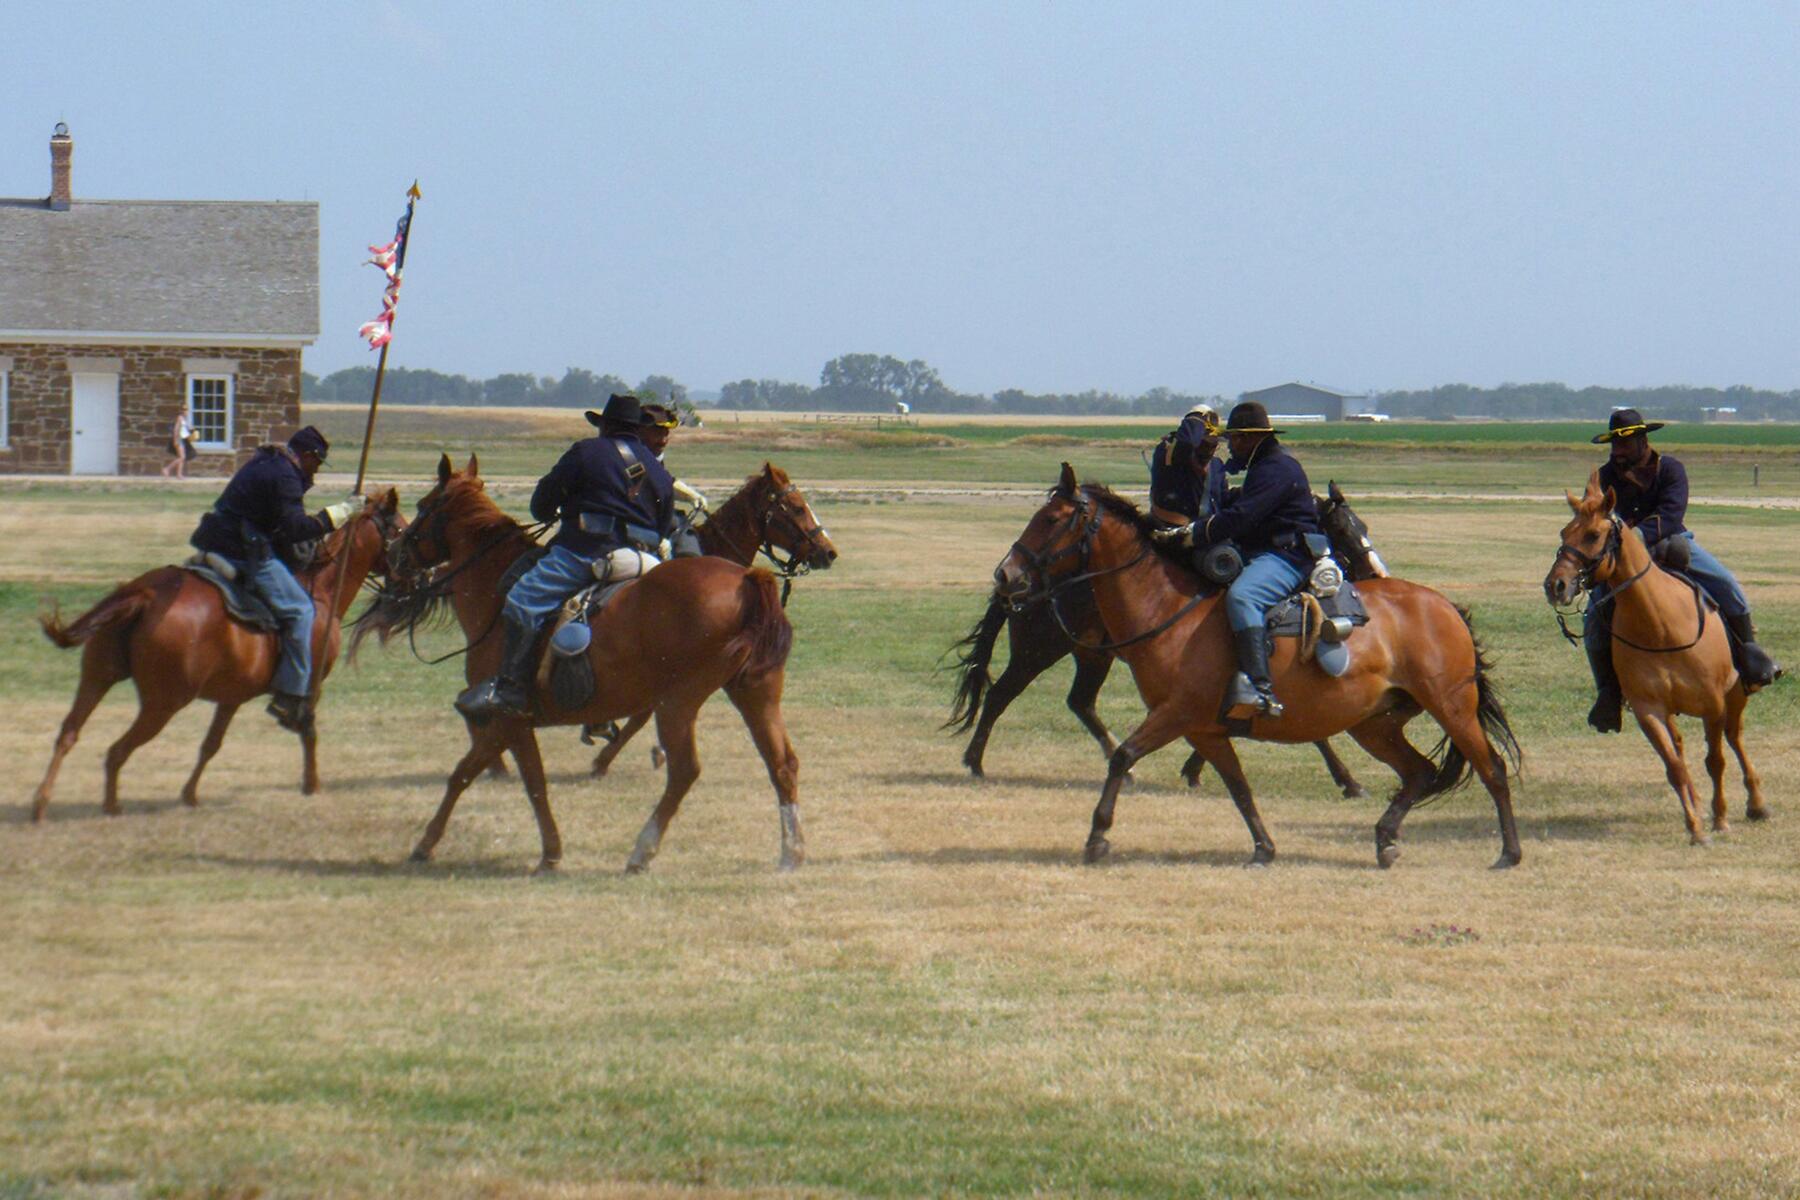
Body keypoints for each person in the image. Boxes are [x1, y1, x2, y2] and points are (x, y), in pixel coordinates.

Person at [456, 393, 676, 722]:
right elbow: (664, 525)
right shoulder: (659, 472)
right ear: (636, 429)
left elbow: (541, 505)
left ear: (606, 426)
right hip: (646, 561)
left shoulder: (586, 452)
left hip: (590, 552)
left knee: (523, 599)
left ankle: (511, 688)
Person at [1582, 408, 1780, 732]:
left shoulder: (1670, 469)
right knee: (1594, 616)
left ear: (1642, 440)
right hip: (1623, 559)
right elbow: (1597, 519)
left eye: (1625, 444)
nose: (1617, 452)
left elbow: (1671, 514)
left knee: (1728, 586)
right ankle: (1608, 693)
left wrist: (1637, 537)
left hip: (1671, 543)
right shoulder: (1605, 477)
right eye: (1614, 446)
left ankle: (1751, 660)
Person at [188, 426, 358, 732]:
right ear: (307, 456)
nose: (316, 473)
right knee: (301, 610)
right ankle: (290, 695)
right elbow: (294, 528)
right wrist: (337, 515)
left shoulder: (268, 462)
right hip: (244, 548)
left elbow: (282, 502)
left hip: (218, 537)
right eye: (316, 464)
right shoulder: (283, 475)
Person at [1158, 401, 1320, 718]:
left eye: (1232, 439)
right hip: (1266, 551)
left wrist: (1195, 532)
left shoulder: (1277, 469)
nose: (1229, 446)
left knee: (1243, 597)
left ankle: (1259, 687)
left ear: (1247, 439)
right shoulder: (1266, 466)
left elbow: (1243, 517)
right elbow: (1242, 503)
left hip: (1287, 556)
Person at [1148, 403, 1227, 526]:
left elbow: (1223, 500)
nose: (1209, 451)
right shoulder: (1169, 454)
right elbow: (1186, 442)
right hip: (1169, 529)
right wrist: (1198, 417)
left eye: (1213, 445)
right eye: (1204, 444)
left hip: (1205, 534)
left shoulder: (1217, 466)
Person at [161, 411, 196, 479]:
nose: (187, 412)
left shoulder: (185, 419)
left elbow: (188, 429)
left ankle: (179, 474)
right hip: (178, 439)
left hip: (183, 440)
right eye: (185, 411)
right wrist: (176, 440)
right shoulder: (180, 418)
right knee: (182, 457)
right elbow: (176, 429)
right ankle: (167, 469)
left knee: (182, 457)